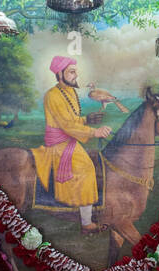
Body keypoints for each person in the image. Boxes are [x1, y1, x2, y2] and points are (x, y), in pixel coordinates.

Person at [33, 56, 111, 232]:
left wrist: (85, 119)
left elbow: (72, 119)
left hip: (69, 139)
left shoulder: (69, 92)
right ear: (60, 74)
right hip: (59, 143)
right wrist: (94, 131)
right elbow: (66, 125)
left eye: (75, 71)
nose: (76, 75)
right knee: (86, 168)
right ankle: (86, 224)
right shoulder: (52, 95)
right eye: (71, 71)